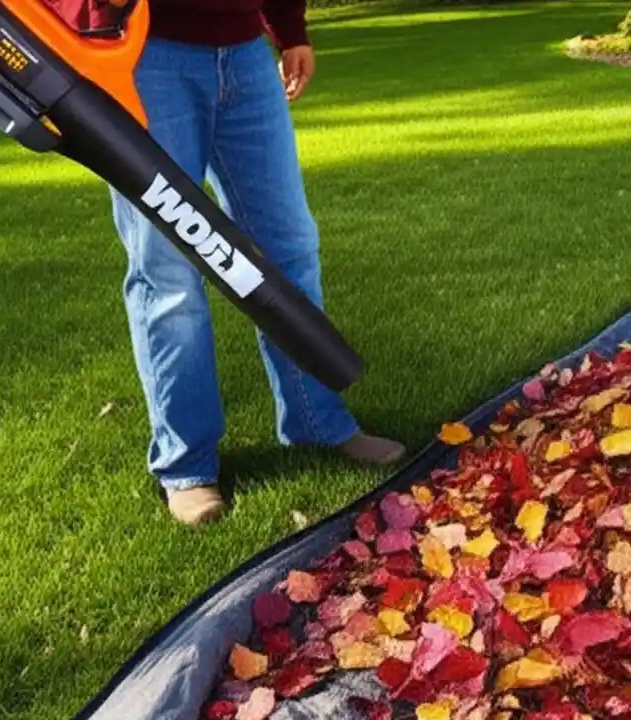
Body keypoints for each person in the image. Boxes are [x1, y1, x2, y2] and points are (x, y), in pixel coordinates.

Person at [106, 0, 406, 526]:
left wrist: (290, 29)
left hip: (244, 54)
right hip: (146, 53)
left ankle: (316, 422)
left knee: (289, 246)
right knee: (168, 272)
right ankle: (187, 465)